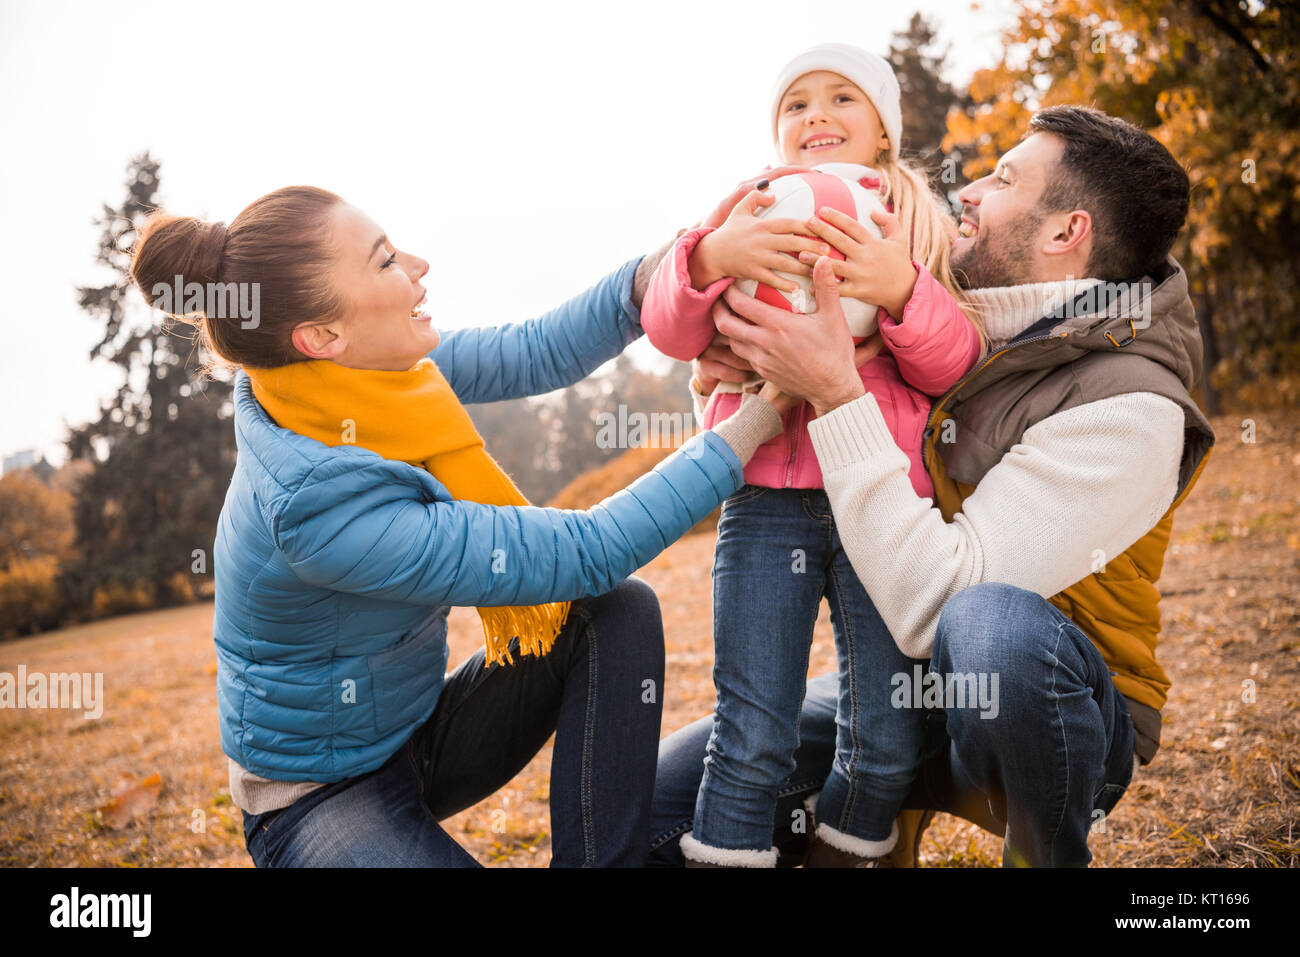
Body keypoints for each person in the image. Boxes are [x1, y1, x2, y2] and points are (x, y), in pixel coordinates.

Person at [128, 184, 789, 867]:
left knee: (614, 611)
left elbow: (538, 350)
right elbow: (588, 548)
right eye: (385, 262)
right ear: (321, 335)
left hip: (416, 733)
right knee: (598, 577)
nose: (418, 265)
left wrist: (676, 267)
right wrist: (750, 427)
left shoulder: (350, 378)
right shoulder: (312, 507)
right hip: (317, 797)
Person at [651, 104, 1215, 868]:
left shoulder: (1132, 409)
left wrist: (834, 392)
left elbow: (939, 604)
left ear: (1064, 233)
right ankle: (873, 831)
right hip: (909, 686)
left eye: (1004, 177)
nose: (970, 190)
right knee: (666, 800)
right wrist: (730, 370)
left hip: (1047, 702)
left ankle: (1043, 855)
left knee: (993, 629)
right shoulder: (959, 318)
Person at [640, 42, 985, 867]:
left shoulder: (914, 227)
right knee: (752, 729)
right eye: (797, 104)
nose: (817, 115)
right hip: (766, 500)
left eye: (842, 99)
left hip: (881, 505)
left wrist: (899, 288)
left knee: (886, 734)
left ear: (884, 137)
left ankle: (845, 856)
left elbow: (955, 366)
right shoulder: (748, 211)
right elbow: (669, 325)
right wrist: (710, 257)